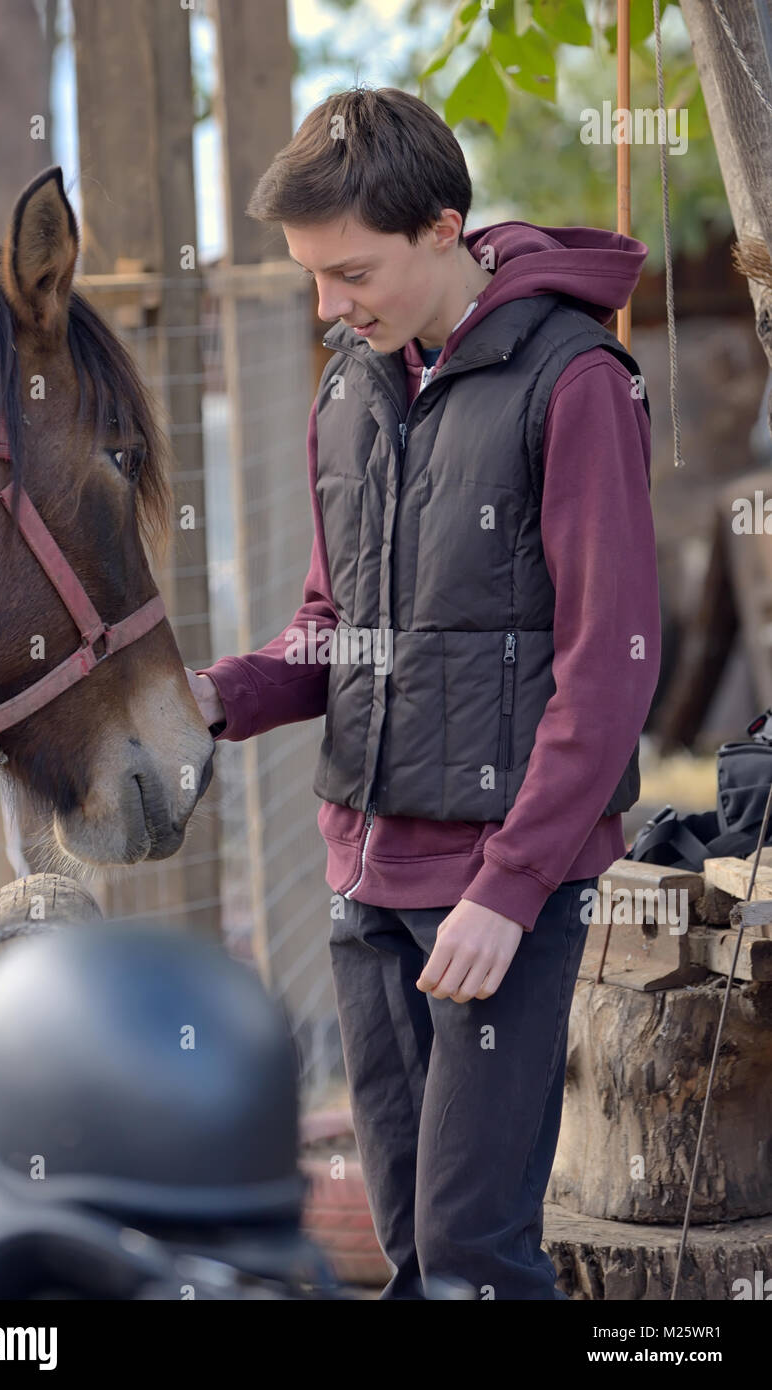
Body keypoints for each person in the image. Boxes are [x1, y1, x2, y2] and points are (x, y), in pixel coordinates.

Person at [187, 86, 661, 1300]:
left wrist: (508, 889)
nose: (326, 307)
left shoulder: (575, 382)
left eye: (348, 273)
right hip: (363, 880)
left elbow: (608, 663)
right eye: (308, 276)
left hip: (497, 895)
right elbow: (333, 626)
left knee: (473, 1256)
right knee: (409, 1249)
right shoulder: (349, 390)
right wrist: (211, 696)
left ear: (442, 229)